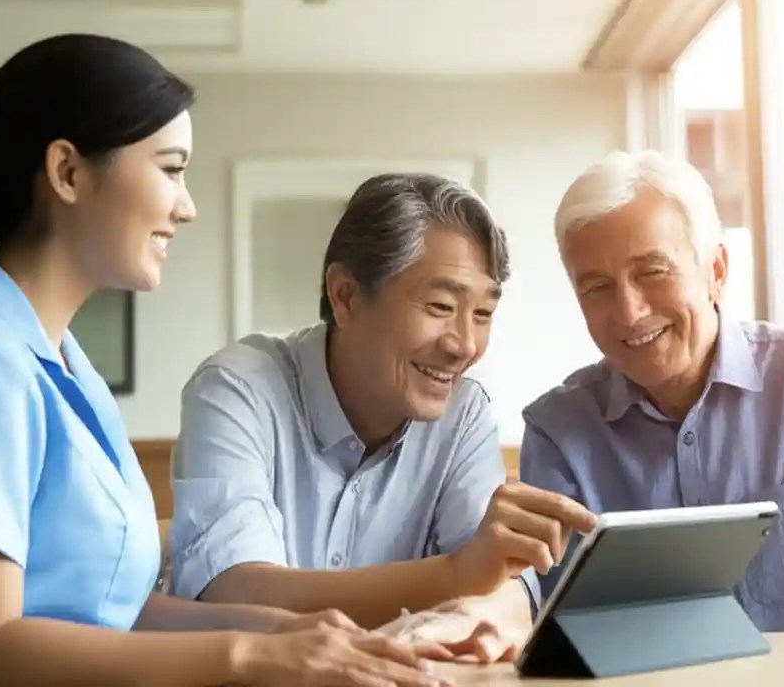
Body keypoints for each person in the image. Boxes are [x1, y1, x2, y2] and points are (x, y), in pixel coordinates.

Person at [0, 34, 447, 687]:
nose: (186, 207)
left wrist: (291, 630)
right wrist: (249, 657)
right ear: (67, 172)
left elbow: (108, 619)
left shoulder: (65, 366)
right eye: (170, 168)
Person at [518, 150, 784, 637]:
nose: (629, 311)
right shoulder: (558, 430)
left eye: (652, 272)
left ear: (717, 271)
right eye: (597, 287)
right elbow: (552, 615)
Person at [169, 173, 597, 662]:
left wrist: (489, 615)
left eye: (482, 314)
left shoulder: (464, 415)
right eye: (441, 305)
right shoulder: (238, 388)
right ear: (345, 295)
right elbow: (234, 593)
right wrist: (457, 575)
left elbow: (504, 587)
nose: (464, 344)